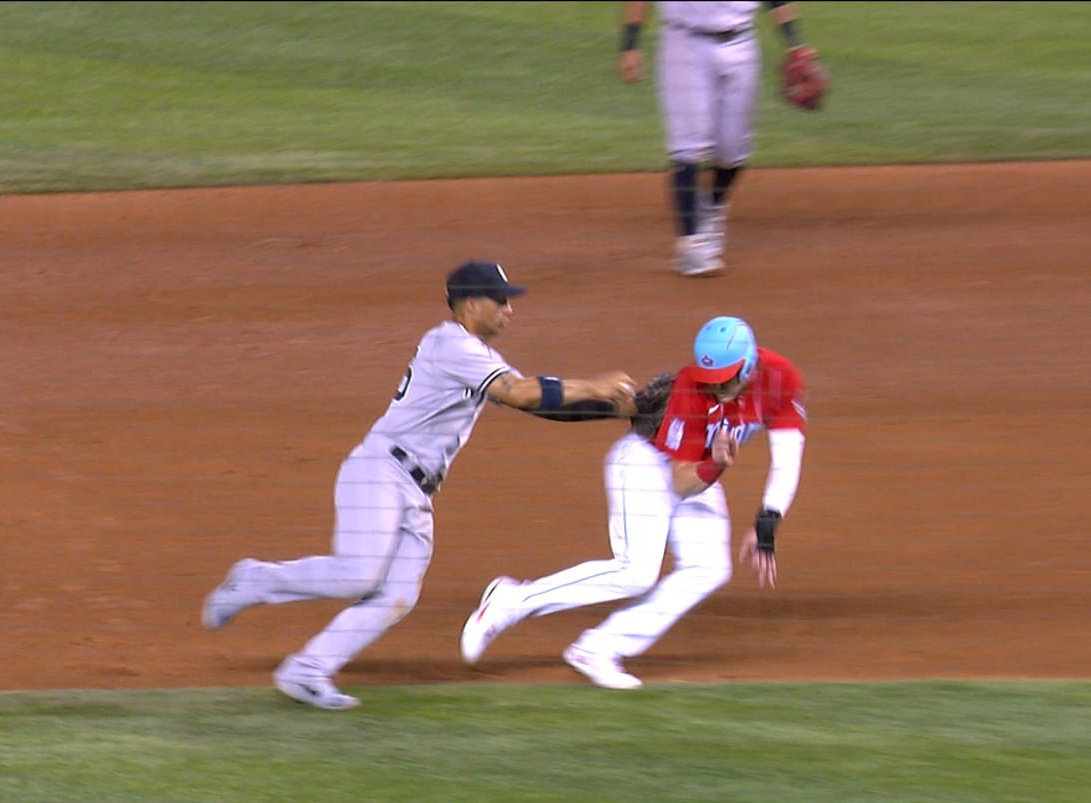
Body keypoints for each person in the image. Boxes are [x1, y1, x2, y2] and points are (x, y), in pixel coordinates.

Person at [202, 261, 637, 710]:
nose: (510, 309)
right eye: (501, 300)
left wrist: (615, 410)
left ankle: (307, 670)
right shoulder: (449, 343)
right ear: (471, 304)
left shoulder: (481, 357)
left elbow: (535, 404)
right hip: (380, 473)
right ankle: (254, 580)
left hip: (415, 492)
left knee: (397, 595)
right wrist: (596, 385)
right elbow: (521, 392)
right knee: (358, 574)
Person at [460, 315, 807, 689]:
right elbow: (682, 483)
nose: (718, 388)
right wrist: (716, 465)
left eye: (726, 380)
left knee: (709, 567)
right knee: (635, 572)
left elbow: (789, 453)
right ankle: (511, 601)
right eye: (711, 381)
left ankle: (597, 648)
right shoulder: (691, 389)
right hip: (647, 463)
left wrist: (768, 518)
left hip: (696, 469)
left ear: (750, 365)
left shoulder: (781, 380)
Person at [617, 2, 826, 277]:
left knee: (733, 150)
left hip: (740, 43)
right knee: (687, 145)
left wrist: (795, 42)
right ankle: (691, 243)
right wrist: (630, 46)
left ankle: (712, 207)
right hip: (684, 44)